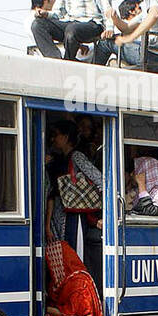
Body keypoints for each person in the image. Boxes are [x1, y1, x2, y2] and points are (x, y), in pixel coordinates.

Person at [47, 120, 105, 286]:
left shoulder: (76, 156)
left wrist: (104, 212)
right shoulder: (59, 159)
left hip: (75, 217)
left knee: (75, 259)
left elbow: (100, 179)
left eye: (56, 135)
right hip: (61, 219)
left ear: (66, 137)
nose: (53, 139)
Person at [127, 149, 158, 215]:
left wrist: (141, 184)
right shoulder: (146, 193)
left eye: (136, 172)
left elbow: (156, 215)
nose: (132, 175)